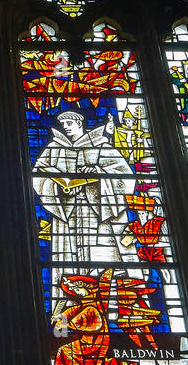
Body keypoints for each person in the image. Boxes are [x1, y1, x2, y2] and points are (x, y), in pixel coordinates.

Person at [33, 109, 136, 270]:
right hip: (66, 211)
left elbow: (124, 177)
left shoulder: (100, 145)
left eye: (69, 123)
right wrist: (59, 188)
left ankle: (105, 290)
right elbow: (38, 174)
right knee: (68, 257)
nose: (65, 127)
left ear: (79, 123)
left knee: (102, 256)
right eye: (63, 124)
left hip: (96, 211)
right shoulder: (54, 147)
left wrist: (99, 174)